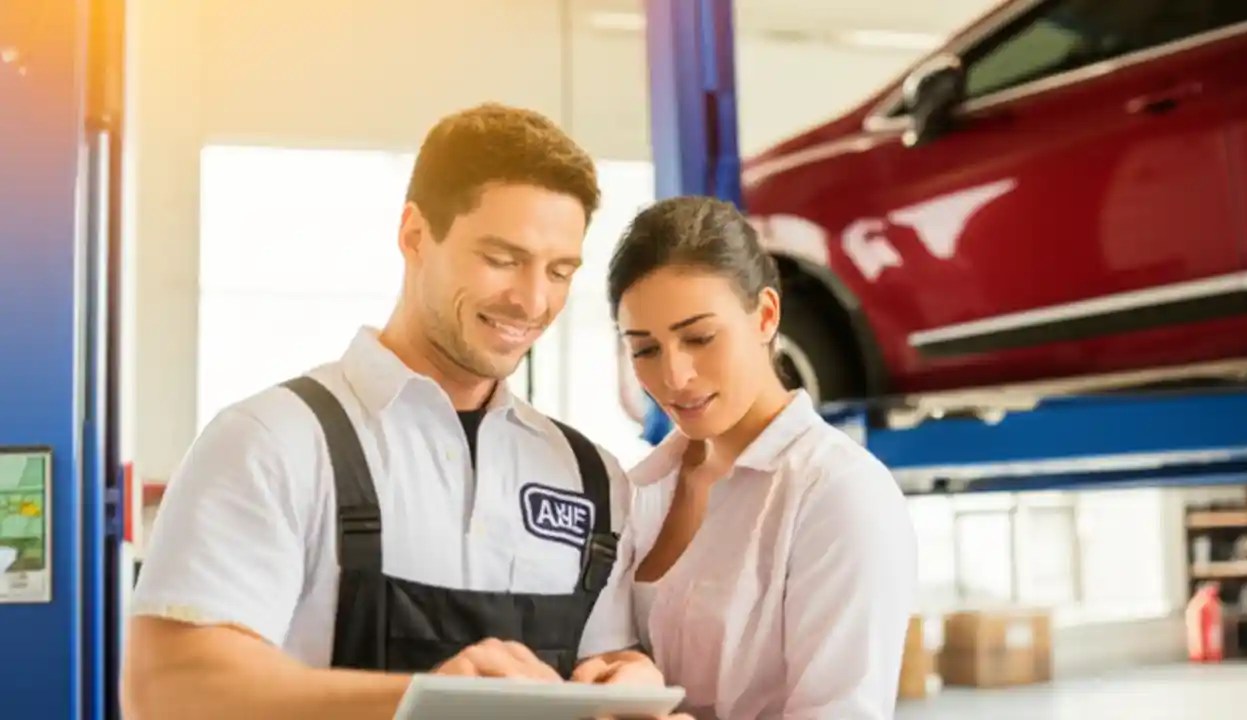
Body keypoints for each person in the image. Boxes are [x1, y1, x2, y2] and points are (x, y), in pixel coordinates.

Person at [122, 103, 680, 720]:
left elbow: (598, 681)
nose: (532, 299)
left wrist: (628, 680)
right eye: (501, 259)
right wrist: (432, 703)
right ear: (414, 235)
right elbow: (170, 688)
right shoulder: (272, 442)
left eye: (560, 270)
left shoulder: (593, 480)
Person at [607, 195, 919, 719]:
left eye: (700, 337)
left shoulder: (838, 493)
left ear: (766, 316)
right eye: (645, 349)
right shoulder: (636, 491)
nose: (674, 376)